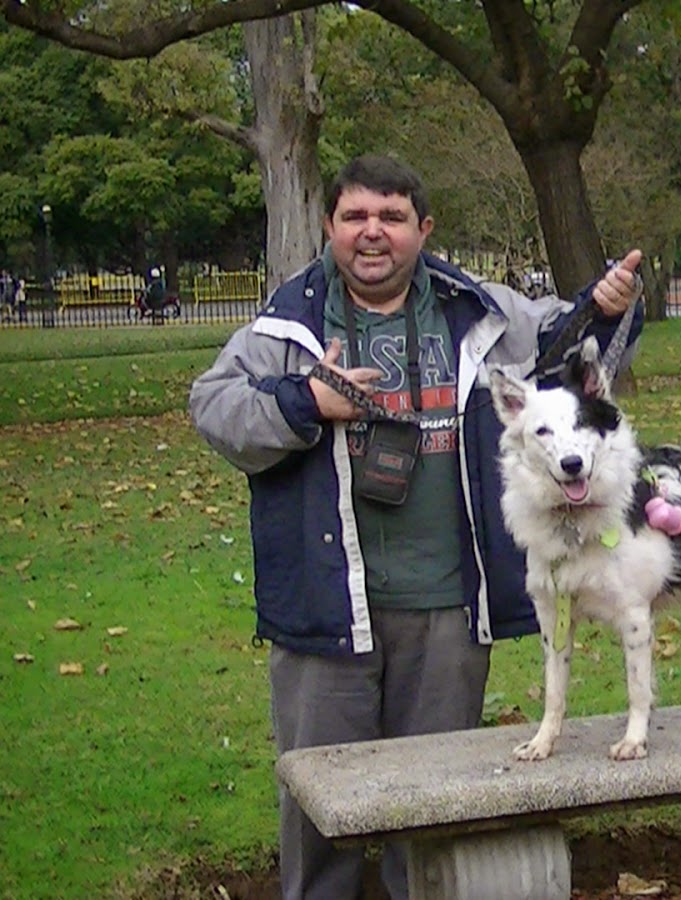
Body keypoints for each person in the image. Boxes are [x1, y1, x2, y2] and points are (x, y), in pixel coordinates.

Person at [189, 155, 644, 900]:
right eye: (355, 216)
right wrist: (305, 402)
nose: (372, 232)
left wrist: (604, 305)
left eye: (392, 217)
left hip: (447, 608)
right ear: (330, 227)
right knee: (320, 803)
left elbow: (561, 351)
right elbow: (212, 407)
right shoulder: (289, 323)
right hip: (327, 608)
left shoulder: (478, 312)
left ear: (423, 229)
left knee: (435, 805)